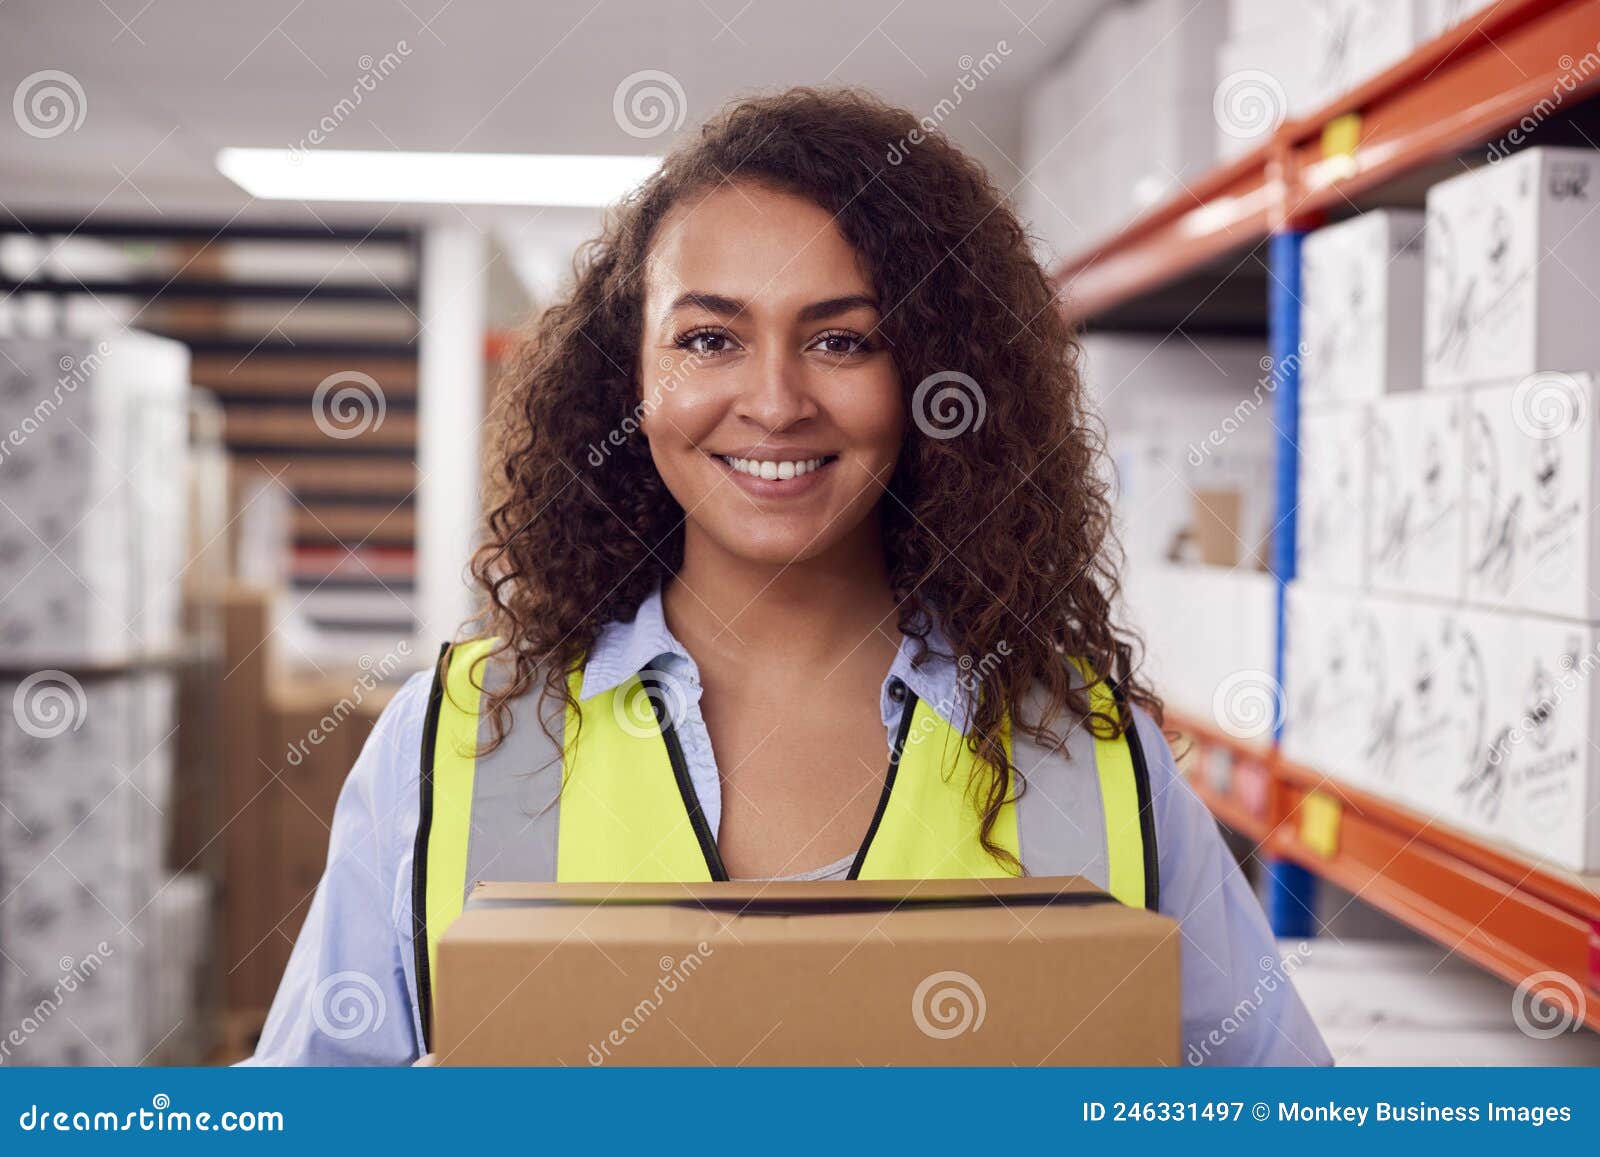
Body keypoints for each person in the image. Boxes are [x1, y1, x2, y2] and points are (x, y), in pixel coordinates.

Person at [245, 87, 1331, 1067]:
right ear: (629, 374)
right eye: (709, 338)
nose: (772, 401)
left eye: (844, 341)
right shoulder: (453, 741)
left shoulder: (1090, 754)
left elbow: (1285, 1116)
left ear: (935, 379)